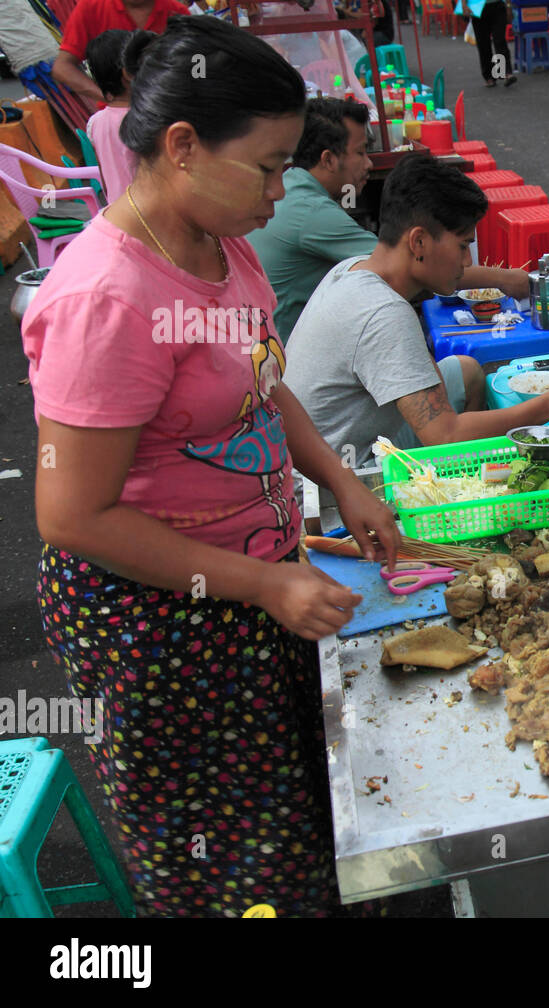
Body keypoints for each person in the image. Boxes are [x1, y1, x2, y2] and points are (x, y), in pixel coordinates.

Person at [22, 16, 401, 917]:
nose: (285, 188)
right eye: (268, 166)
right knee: (224, 857)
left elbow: (265, 385)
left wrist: (345, 483)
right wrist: (261, 585)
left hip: (246, 582)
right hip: (159, 627)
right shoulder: (107, 298)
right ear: (184, 147)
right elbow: (73, 518)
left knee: (295, 810)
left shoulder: (224, 245)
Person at [285, 154, 549, 467]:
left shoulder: (356, 268)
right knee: (457, 436)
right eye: (462, 246)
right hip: (344, 475)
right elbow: (444, 436)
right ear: (418, 243)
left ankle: (475, 467)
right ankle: (469, 488)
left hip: (344, 441)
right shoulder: (383, 313)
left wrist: (500, 279)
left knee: (467, 370)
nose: (467, 261)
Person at [248, 97, 527, 340]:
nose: (369, 163)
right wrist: (504, 279)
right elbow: (402, 263)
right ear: (328, 160)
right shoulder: (312, 214)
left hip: (276, 344)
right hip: (285, 356)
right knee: (466, 371)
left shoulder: (295, 189)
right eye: (360, 152)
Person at [52, 0, 189, 105]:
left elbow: (199, 58)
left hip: (172, 108)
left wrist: (196, 87)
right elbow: (62, 68)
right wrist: (112, 99)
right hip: (119, 119)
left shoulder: (177, 11)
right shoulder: (92, 7)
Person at [84, 29, 152, 203]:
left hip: (117, 213)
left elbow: (105, 176)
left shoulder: (95, 123)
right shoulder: (146, 119)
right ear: (128, 74)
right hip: (147, 216)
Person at [467, 0, 517, 87]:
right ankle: (489, 76)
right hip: (477, 7)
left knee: (500, 40)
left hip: (497, 6)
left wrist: (508, 6)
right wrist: (464, 4)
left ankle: (505, 73)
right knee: (483, 44)